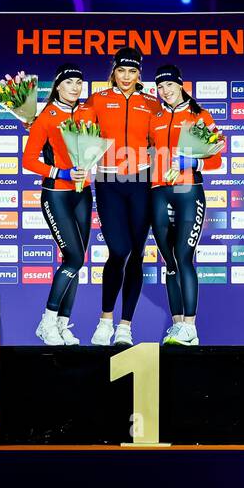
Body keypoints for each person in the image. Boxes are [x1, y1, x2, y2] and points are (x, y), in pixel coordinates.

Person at [86, 47, 158, 347]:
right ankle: (105, 320)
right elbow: (73, 125)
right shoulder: (98, 99)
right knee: (118, 250)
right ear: (113, 71)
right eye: (121, 70)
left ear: (139, 73)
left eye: (132, 71)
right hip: (108, 181)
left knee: (137, 254)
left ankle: (125, 326)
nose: (126, 77)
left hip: (141, 181)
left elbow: (167, 134)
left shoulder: (151, 103)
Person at [148, 64, 223, 347]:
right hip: (158, 191)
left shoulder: (199, 115)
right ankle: (178, 326)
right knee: (169, 261)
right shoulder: (154, 117)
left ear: (180, 84)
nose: (165, 91)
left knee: (183, 255)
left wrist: (194, 162)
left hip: (189, 190)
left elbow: (216, 157)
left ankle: (191, 326)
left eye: (169, 85)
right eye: (160, 87)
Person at [20, 64, 95, 346]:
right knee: (74, 258)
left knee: (75, 262)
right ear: (58, 86)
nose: (75, 87)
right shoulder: (46, 116)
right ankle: (47, 321)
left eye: (79, 82)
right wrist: (58, 172)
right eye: (69, 83)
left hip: (83, 193)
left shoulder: (88, 112)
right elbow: (28, 160)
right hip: (57, 194)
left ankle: (63, 325)